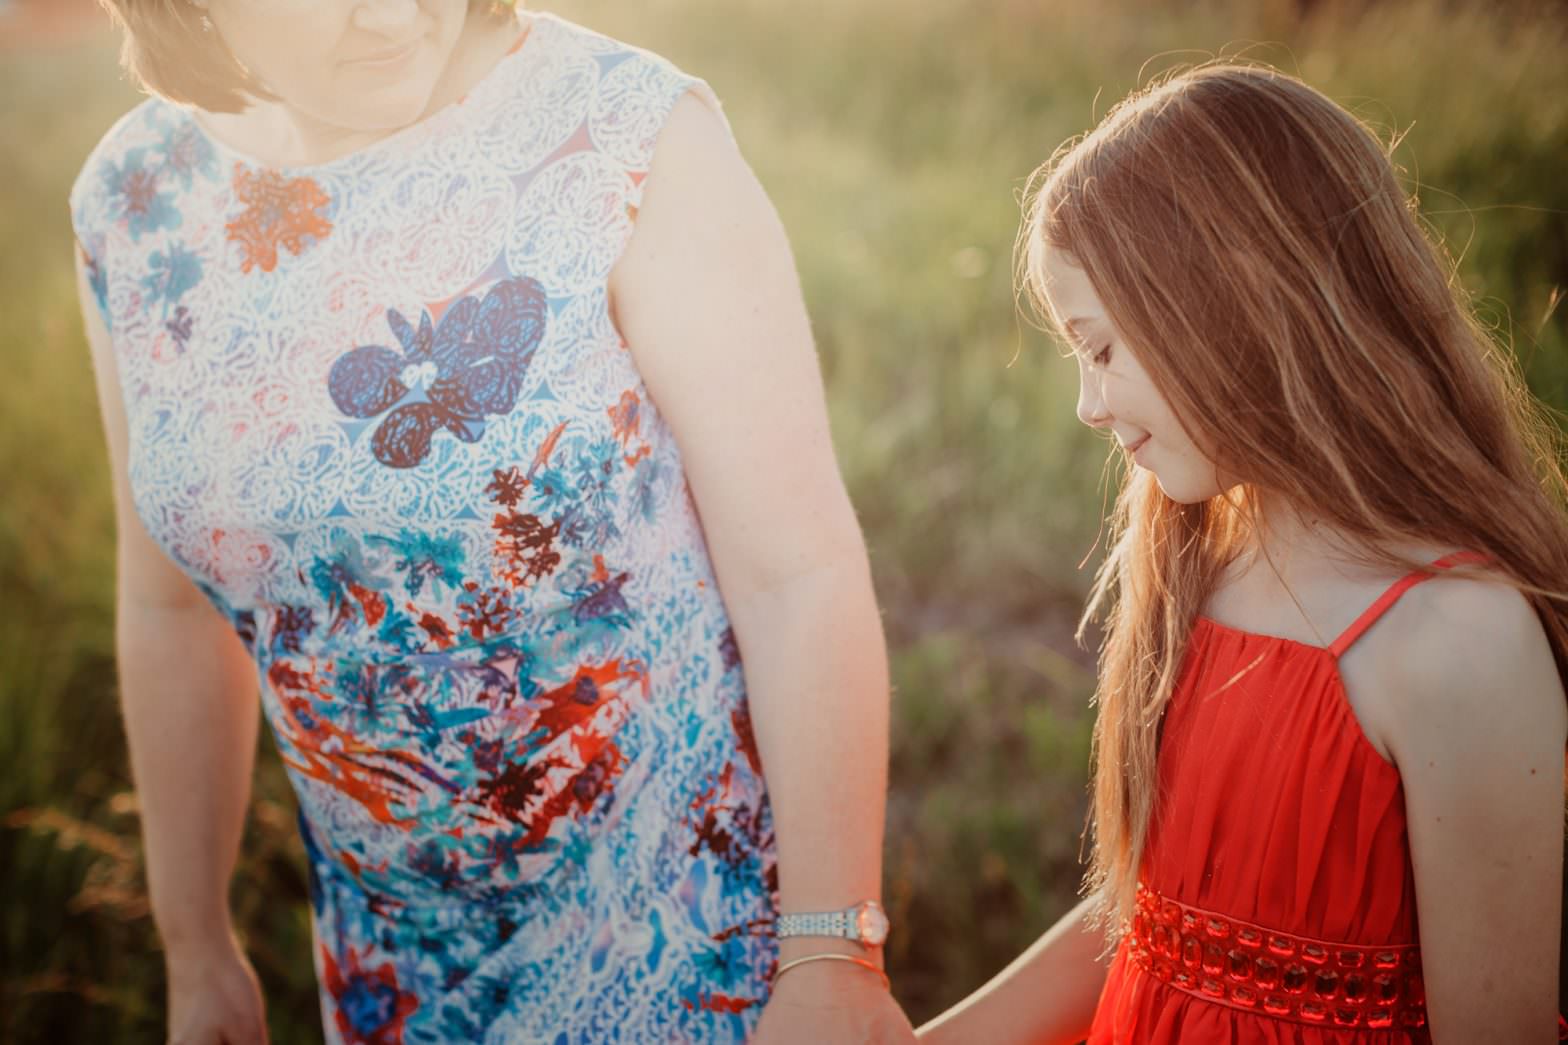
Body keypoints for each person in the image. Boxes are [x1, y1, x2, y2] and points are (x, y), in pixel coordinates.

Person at [69, 1, 915, 1041]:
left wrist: (832, 955)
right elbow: (168, 604)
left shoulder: (622, 136)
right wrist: (193, 945)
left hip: (691, 947)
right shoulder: (136, 203)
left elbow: (800, 575)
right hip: (389, 975)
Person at [919, 62, 1568, 1043]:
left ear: (1230, 307)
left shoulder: (1456, 642)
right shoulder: (1201, 556)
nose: (1087, 406)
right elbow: (1140, 918)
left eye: (1099, 349)